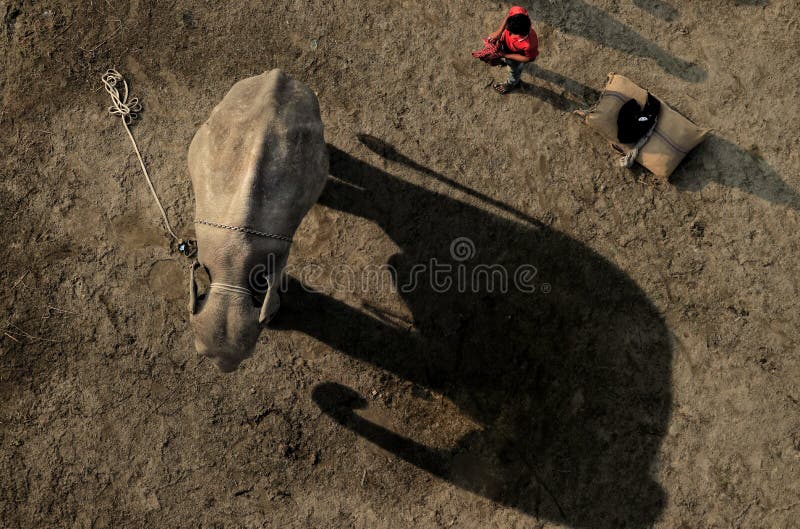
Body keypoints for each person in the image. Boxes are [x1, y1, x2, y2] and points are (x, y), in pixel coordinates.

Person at [487, 6, 539, 94]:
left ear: (520, 34)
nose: (506, 29)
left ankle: (511, 84)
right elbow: (509, 14)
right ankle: (504, 60)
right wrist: (499, 32)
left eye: (509, 30)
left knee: (514, 71)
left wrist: (506, 55)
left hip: (514, 57)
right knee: (503, 59)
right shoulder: (519, 12)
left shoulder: (530, 44)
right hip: (505, 47)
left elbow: (529, 58)